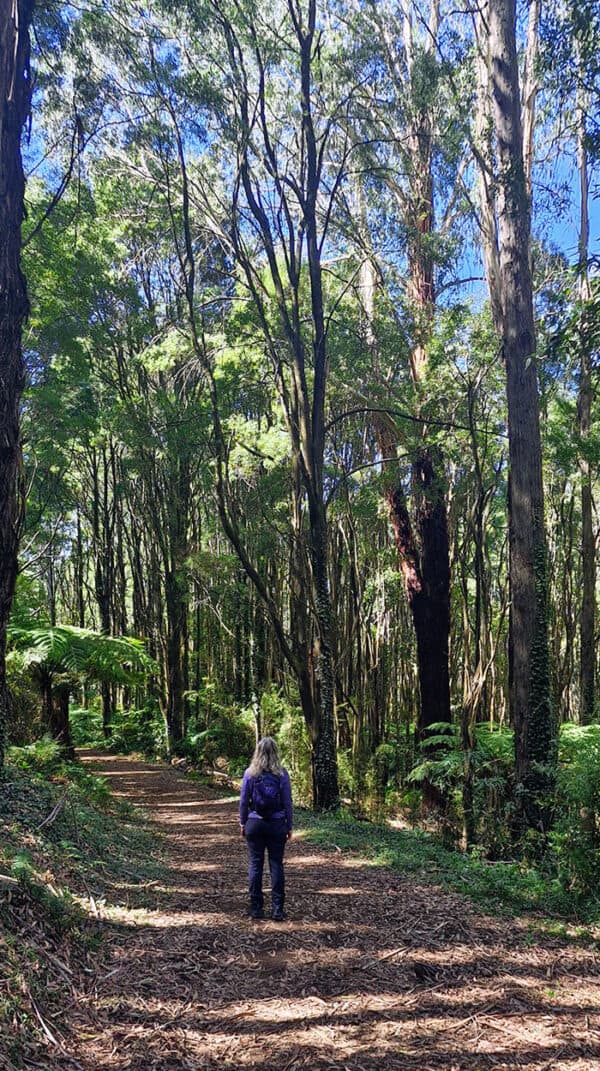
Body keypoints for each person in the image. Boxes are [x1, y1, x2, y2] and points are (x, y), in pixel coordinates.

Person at [239, 737, 293, 921]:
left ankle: (256, 908)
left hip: (255, 824)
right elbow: (287, 802)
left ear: (258, 752)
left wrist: (243, 822)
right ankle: (277, 909)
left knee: (256, 864)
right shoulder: (282, 774)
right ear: (276, 753)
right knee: (276, 864)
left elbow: (244, 801)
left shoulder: (250, 774)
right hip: (277, 824)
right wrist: (289, 826)